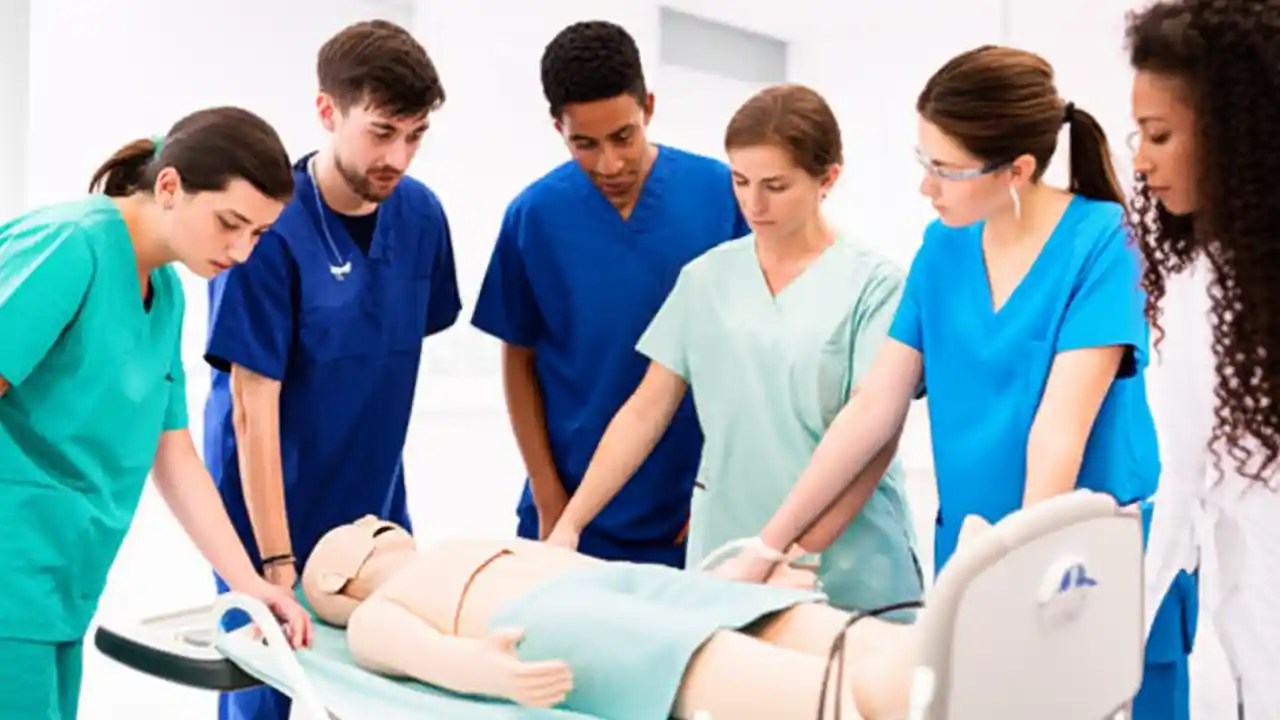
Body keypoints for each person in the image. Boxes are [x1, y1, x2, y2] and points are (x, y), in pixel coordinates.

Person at [708, 45, 1195, 719]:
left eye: (945, 169)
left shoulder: (1103, 241)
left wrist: (1019, 580)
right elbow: (874, 407)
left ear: (1017, 170)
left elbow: (1058, 435)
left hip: (1084, 562)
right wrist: (769, 545)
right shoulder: (942, 249)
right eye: (923, 163)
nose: (926, 188)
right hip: (977, 556)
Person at [546, 84, 922, 615]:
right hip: (729, 548)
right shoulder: (706, 279)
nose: (753, 203)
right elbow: (644, 411)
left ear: (828, 179)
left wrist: (794, 555)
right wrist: (570, 525)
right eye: (741, 181)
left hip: (849, 557)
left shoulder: (876, 285)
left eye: (776, 185)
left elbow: (874, 437)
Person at [0, 107, 312, 720]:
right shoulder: (73, 246)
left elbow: (173, 455)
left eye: (258, 235)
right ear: (169, 186)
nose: (242, 252)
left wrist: (250, 586)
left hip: (59, 586)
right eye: (231, 223)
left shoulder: (163, 291)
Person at [201, 19, 459, 720]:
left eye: (415, 135)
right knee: (268, 695)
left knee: (378, 692)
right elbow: (252, 407)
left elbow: (391, 348)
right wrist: (275, 562)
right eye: (381, 132)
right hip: (267, 508)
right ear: (327, 111)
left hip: (372, 504)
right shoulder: (269, 228)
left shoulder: (423, 217)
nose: (399, 156)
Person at [470, 20, 749, 568]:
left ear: (648, 106)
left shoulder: (721, 195)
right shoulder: (533, 217)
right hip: (567, 511)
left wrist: (721, 485)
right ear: (558, 128)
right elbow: (518, 363)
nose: (610, 164)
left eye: (624, 136)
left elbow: (744, 357)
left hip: (686, 514)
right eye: (585, 144)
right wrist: (550, 496)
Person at [300, 515, 918, 720]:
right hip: (543, 620)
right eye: (368, 528)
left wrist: (709, 585)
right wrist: (487, 672)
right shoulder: (375, 611)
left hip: (603, 578)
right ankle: (874, 692)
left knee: (751, 611)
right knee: (683, 650)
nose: (379, 523)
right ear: (336, 578)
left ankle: (899, 645)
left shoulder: (457, 544)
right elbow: (424, 654)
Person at [1126, 1, 1280, 716]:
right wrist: (1121, 638)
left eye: (1159, 135)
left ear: (1235, 133)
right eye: (1138, 134)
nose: (1140, 160)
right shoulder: (1195, 285)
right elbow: (1184, 476)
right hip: (1250, 641)